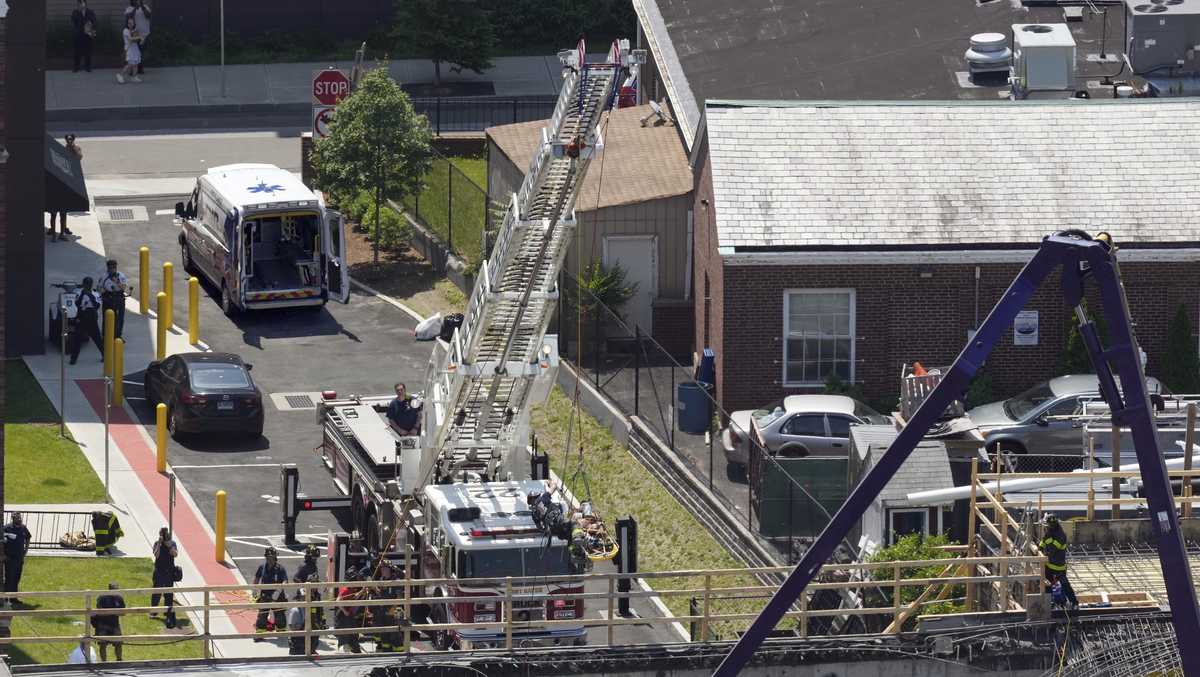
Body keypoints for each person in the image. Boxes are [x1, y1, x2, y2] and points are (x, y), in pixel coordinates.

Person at [1040, 514, 1079, 610]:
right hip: (1049, 565)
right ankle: (1051, 604)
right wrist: (1039, 548)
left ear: (1051, 525)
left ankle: (1074, 603)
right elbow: (1042, 544)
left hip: (1058, 567)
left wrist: (1047, 539)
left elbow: (1052, 550)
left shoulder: (1061, 536)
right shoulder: (1049, 532)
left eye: (1046, 525)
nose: (1044, 527)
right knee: (1047, 585)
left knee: (1065, 585)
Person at [254, 546, 288, 635]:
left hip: (277, 597)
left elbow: (285, 581)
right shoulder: (262, 567)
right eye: (268, 558)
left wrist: (278, 591)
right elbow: (257, 578)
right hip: (265, 596)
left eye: (272, 558)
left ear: (275, 558)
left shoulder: (280, 569)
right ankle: (260, 633)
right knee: (262, 615)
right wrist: (254, 590)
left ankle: (281, 632)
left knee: (279, 615)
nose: (270, 560)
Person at [69, 277, 104, 365]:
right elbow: (76, 304)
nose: (87, 285)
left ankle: (104, 355)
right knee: (77, 339)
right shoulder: (78, 292)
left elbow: (97, 306)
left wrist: (89, 295)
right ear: (83, 284)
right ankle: (73, 358)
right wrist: (82, 295)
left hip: (91, 317)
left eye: (89, 284)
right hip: (82, 317)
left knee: (97, 338)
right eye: (86, 284)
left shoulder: (95, 294)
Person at [150, 528, 178, 628]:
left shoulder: (172, 543)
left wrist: (169, 545)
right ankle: (153, 611)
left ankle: (168, 612)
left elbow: (175, 554)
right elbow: (156, 555)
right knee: (156, 592)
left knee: (168, 593)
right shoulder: (157, 543)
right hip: (159, 571)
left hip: (169, 571)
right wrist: (159, 543)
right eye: (162, 534)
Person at [4, 513, 32, 604]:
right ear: (13, 519)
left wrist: (26, 550)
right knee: (9, 578)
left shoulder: (23, 528)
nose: (20, 519)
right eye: (17, 518)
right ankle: (5, 598)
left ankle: (14, 598)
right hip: (10, 558)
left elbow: (28, 537)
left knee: (17, 578)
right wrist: (3, 554)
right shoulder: (7, 528)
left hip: (19, 558)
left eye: (20, 518)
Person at [93, 582, 125, 662]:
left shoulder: (119, 598)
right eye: (114, 590)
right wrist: (113, 612)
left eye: (117, 590)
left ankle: (119, 660)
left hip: (115, 624)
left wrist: (113, 612)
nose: (116, 592)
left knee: (119, 643)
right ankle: (103, 662)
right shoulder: (102, 598)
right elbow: (99, 610)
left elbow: (123, 612)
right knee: (102, 644)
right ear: (109, 589)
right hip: (103, 624)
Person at [335, 571, 365, 653]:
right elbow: (338, 601)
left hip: (349, 614)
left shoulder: (352, 589)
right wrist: (344, 611)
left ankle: (355, 648)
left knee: (354, 633)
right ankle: (345, 649)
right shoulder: (345, 590)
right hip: (343, 615)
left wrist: (362, 591)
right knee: (344, 635)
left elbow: (354, 598)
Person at [99, 259, 129, 339]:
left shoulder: (121, 276)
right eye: (110, 268)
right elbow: (99, 287)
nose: (112, 269)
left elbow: (124, 288)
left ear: (116, 268)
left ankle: (118, 336)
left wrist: (117, 282)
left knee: (119, 318)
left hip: (119, 298)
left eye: (114, 267)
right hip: (108, 298)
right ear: (107, 268)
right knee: (107, 317)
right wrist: (102, 290)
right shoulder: (104, 276)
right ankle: (106, 335)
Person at [125, 0, 151, 75]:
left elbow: (148, 15)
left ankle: (140, 67)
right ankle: (134, 69)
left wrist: (142, 7)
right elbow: (128, 17)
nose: (137, 1)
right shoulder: (129, 9)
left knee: (141, 52)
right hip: (134, 34)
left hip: (144, 34)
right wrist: (135, 9)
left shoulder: (145, 7)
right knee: (134, 52)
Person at [71, 0, 97, 72]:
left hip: (88, 35)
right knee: (77, 52)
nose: (81, 4)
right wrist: (80, 12)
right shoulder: (75, 12)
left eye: (82, 3)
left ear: (85, 4)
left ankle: (88, 67)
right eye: (79, 3)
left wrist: (90, 25)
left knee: (88, 52)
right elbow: (74, 22)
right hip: (78, 35)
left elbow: (94, 21)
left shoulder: (90, 12)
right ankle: (76, 67)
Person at [117, 15, 143, 85]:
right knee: (130, 64)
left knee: (136, 64)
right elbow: (130, 39)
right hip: (129, 49)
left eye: (132, 23)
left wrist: (141, 39)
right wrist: (139, 37)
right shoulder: (125, 30)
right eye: (129, 23)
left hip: (135, 48)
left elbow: (137, 40)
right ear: (127, 23)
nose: (130, 24)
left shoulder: (134, 30)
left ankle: (134, 77)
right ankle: (120, 75)